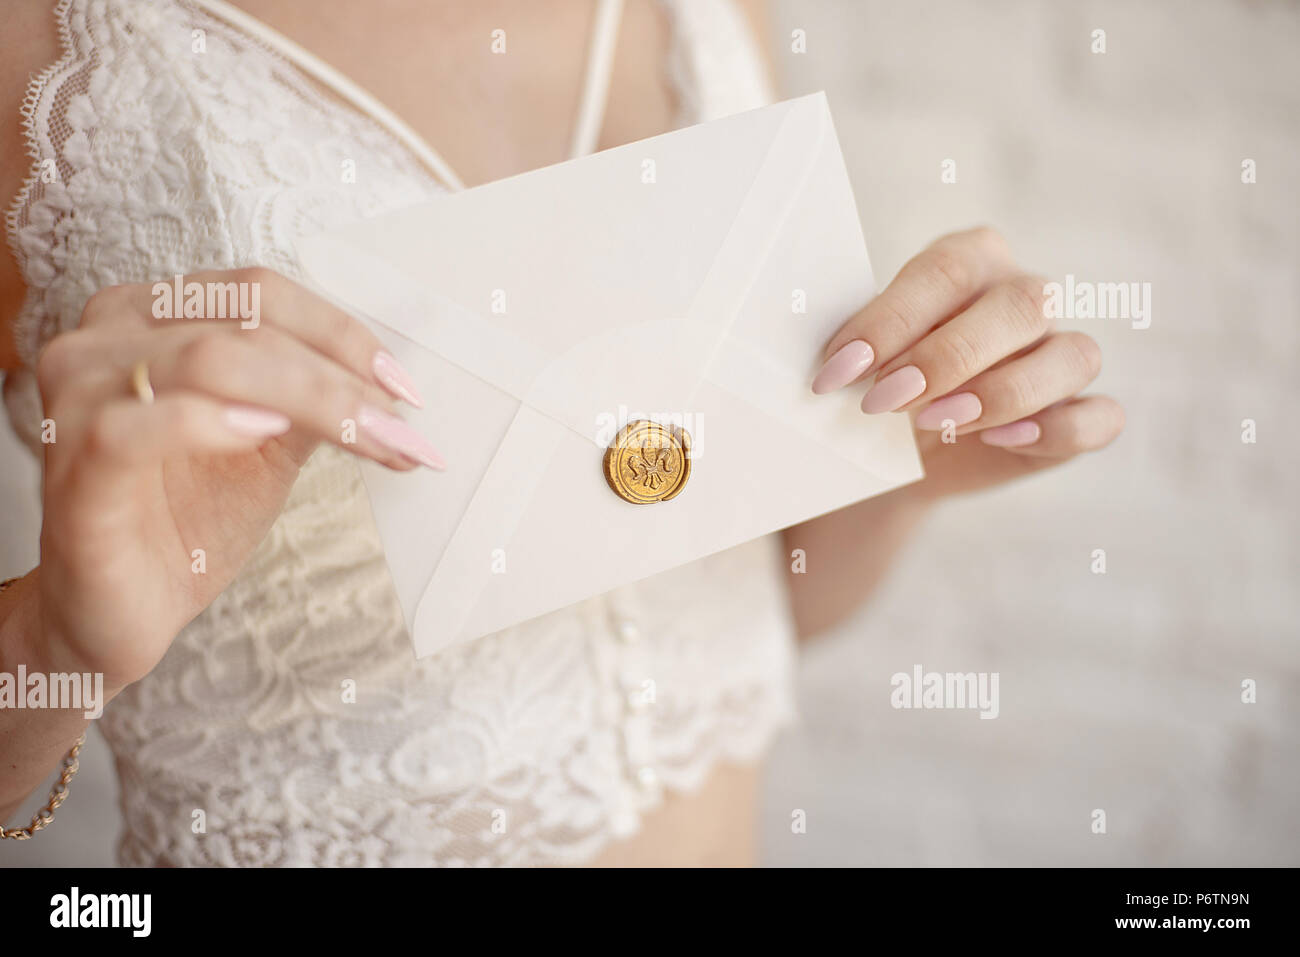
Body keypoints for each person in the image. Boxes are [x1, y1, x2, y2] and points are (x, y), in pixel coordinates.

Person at [0, 0, 1122, 866]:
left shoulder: (708, 15)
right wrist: (54, 641)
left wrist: (897, 468)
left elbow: (754, 601)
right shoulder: (37, 55)